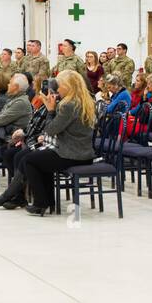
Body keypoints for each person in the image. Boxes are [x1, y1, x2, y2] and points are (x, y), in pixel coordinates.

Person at [23, 71, 98, 215]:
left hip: (71, 154)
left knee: (29, 160)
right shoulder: (86, 101)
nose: (57, 89)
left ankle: (41, 203)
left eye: (59, 86)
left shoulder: (69, 105)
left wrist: (50, 111)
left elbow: (50, 130)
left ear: (68, 86)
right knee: (41, 158)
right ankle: (47, 201)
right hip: (84, 153)